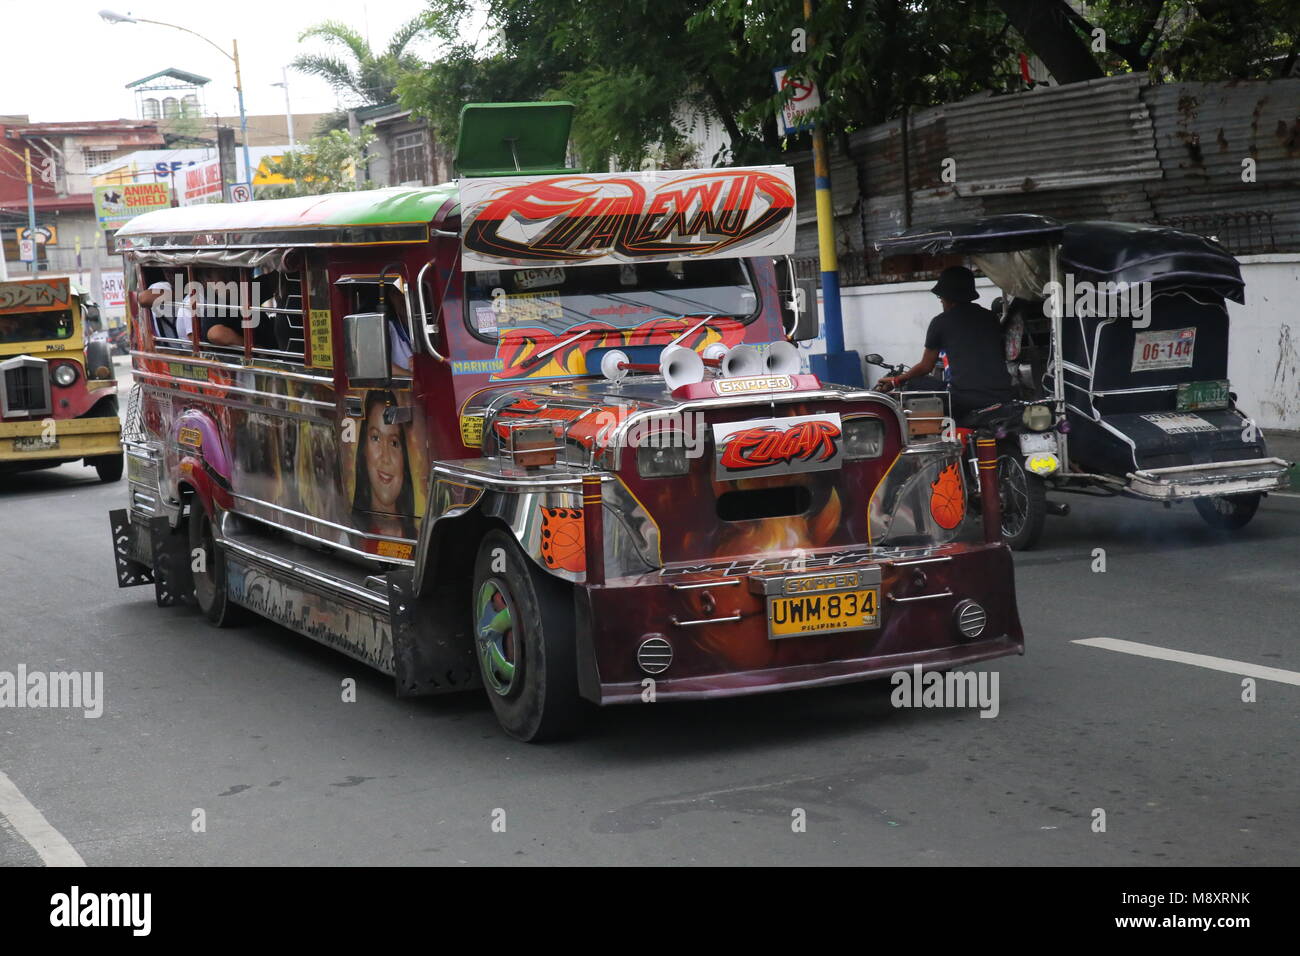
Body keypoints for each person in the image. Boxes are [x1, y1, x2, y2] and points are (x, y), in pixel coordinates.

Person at [875, 265, 1014, 424]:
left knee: (915, 383)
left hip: (964, 399)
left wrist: (897, 380)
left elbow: (926, 367)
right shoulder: (991, 318)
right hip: (1003, 395)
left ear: (948, 297)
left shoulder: (940, 322)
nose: (940, 300)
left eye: (941, 296)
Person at [138, 278, 195, 343]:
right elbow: (144, 299)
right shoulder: (163, 286)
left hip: (183, 348)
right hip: (169, 349)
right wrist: (180, 296)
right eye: (167, 270)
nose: (170, 273)